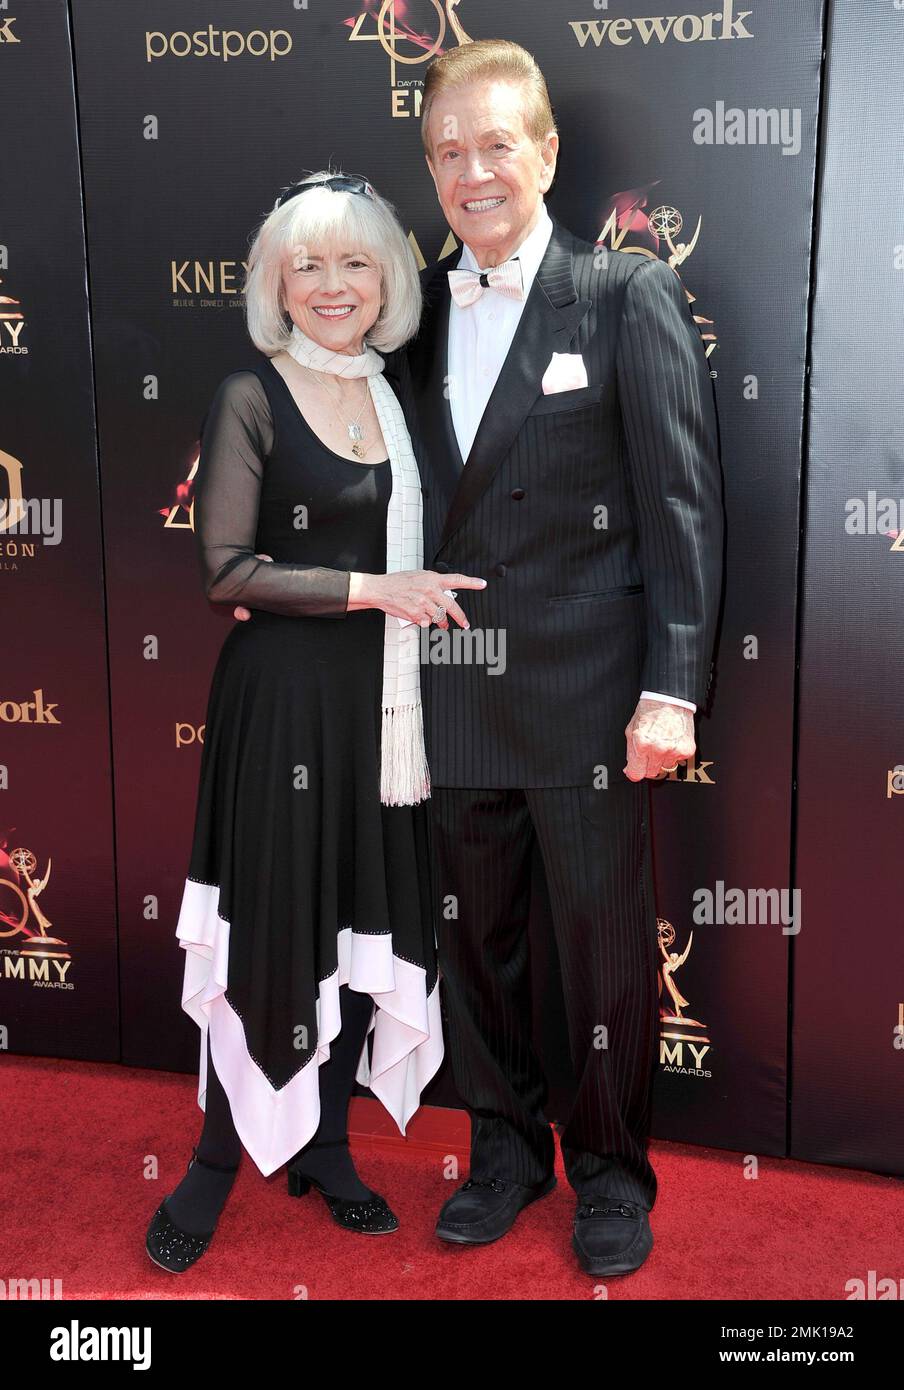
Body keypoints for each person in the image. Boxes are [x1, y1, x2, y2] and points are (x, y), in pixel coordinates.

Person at [383, 39, 725, 1276]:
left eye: (495, 144)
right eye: (448, 151)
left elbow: (681, 504)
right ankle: (505, 1152)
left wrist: (670, 687)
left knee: (599, 949)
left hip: (588, 696)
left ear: (545, 151)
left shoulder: (624, 294)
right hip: (455, 685)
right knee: (477, 943)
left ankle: (612, 1174)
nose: (471, 172)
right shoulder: (412, 310)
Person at [145, 170, 485, 1273]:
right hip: (283, 711)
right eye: (306, 266)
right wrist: (374, 590)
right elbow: (226, 572)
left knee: (353, 928)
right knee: (273, 928)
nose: (331, 286)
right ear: (275, 285)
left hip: (382, 719)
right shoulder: (250, 395)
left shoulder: (402, 397)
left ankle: (327, 1147)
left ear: (386, 279)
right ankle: (213, 1161)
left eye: (353, 263)